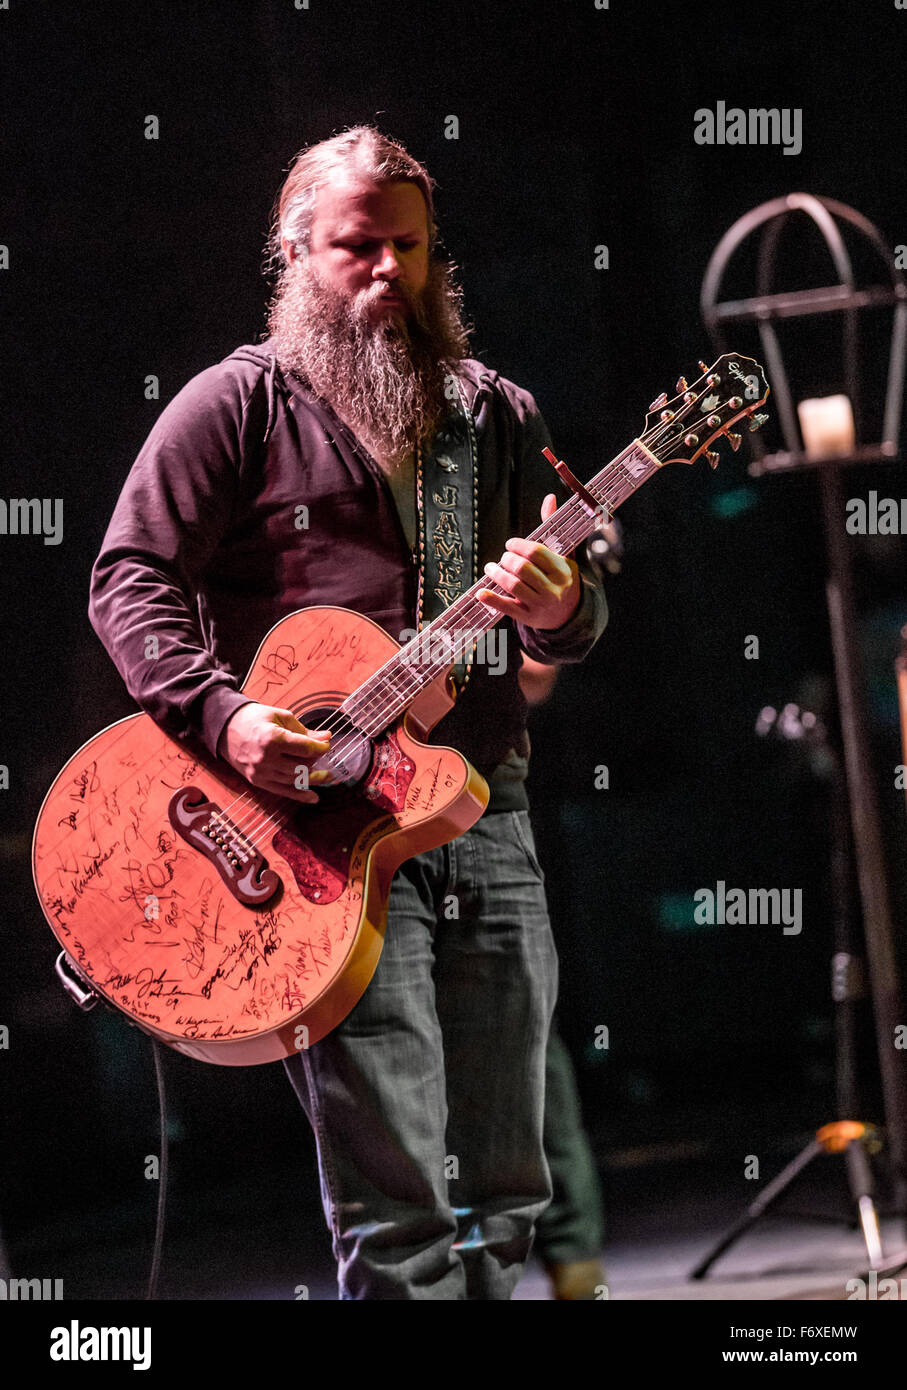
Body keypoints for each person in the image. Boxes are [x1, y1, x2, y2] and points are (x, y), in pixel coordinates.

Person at [88, 126, 608, 1299]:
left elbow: (568, 624)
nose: (387, 272)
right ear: (295, 251)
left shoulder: (494, 416)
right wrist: (225, 722)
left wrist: (562, 604)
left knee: (511, 1188)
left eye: (409, 248)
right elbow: (128, 579)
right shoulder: (235, 407)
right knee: (397, 1199)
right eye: (357, 248)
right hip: (314, 836)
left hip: (482, 806)